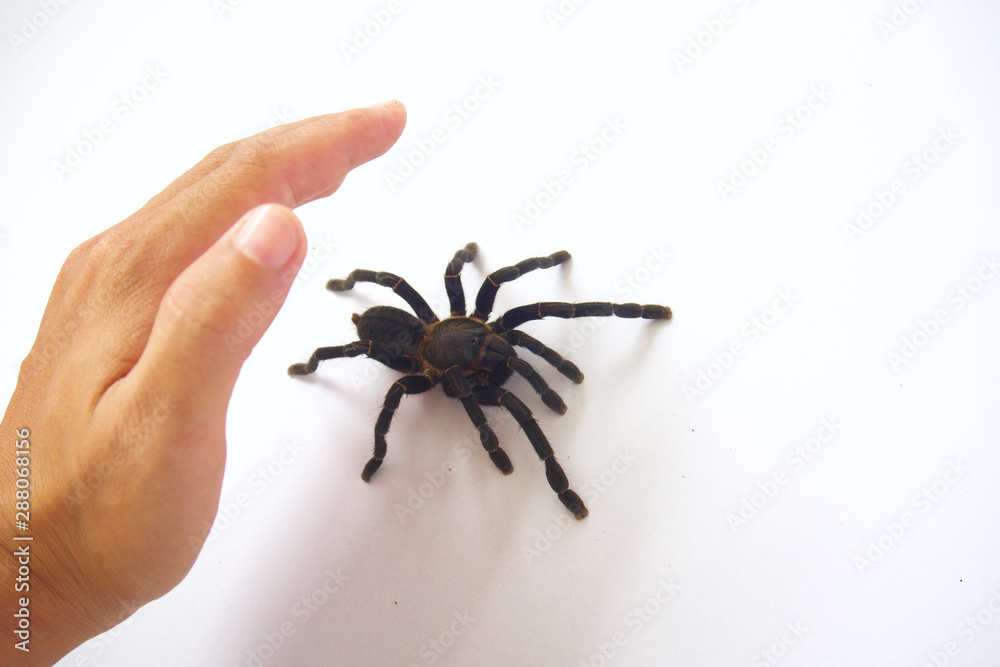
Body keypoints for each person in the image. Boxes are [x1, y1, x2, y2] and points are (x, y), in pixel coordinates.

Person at [0, 101, 407, 665]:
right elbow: (395, 370)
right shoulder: (413, 369)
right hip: (406, 338)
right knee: (394, 374)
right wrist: (43, 570)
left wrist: (29, 563)